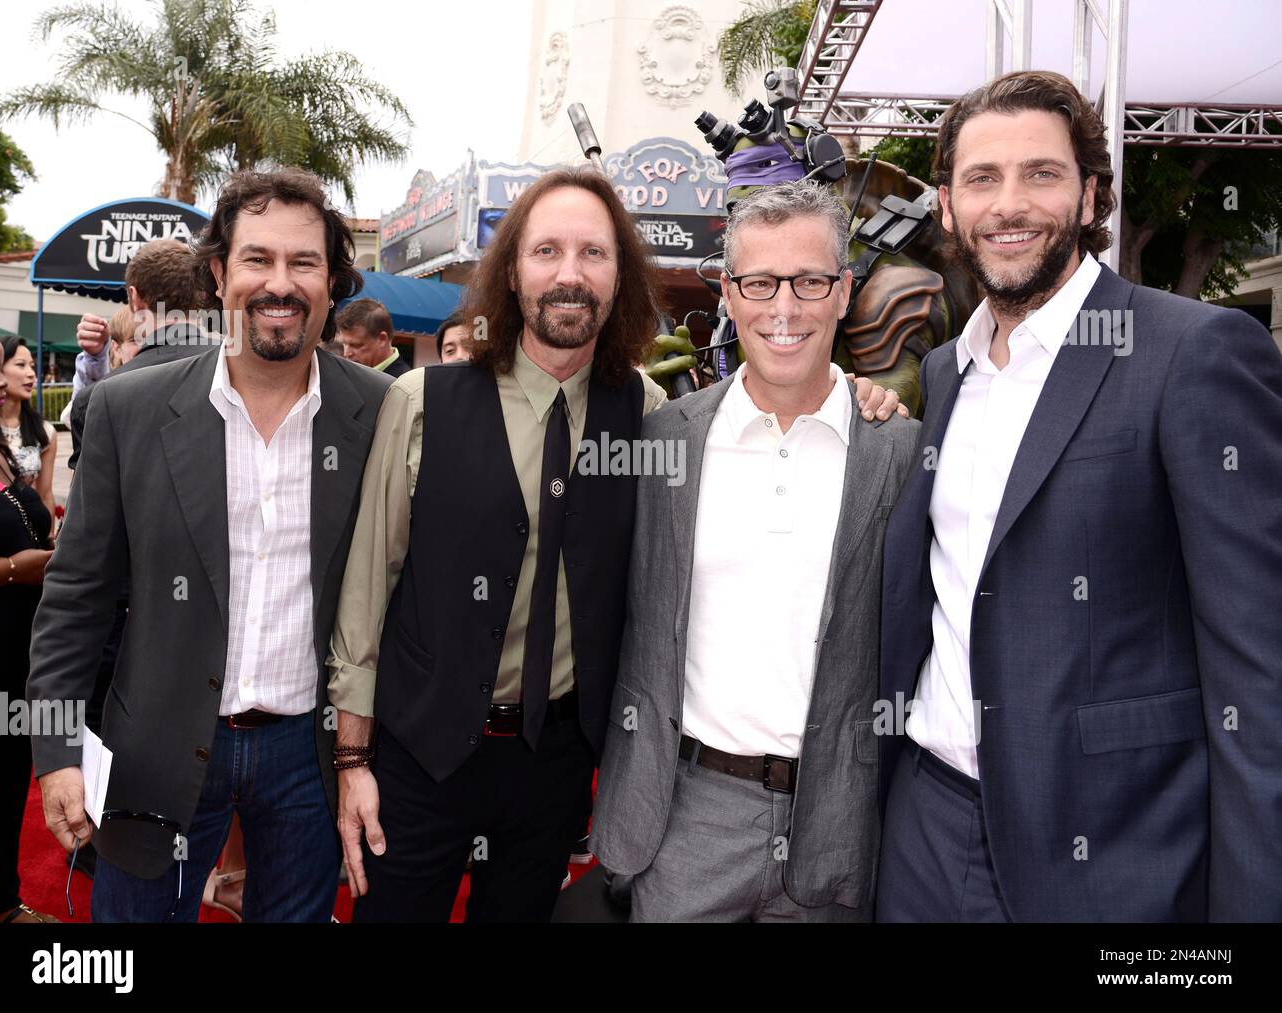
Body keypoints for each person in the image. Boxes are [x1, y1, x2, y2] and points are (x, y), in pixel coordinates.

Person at [327, 167, 902, 923]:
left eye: (593, 253)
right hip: (416, 756)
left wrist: (861, 394)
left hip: (554, 767)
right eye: (547, 252)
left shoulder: (651, 417)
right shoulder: (424, 401)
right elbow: (366, 597)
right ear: (512, 270)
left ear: (620, 276)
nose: (570, 274)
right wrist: (352, 759)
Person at [877, 70, 1282, 922]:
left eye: (1042, 174)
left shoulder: (1194, 353)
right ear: (946, 205)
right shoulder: (947, 373)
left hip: (1112, 853)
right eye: (981, 178)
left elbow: (1260, 669)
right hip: (925, 831)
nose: (1009, 204)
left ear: (1092, 191)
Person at [26, 167, 393, 923]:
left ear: (333, 280)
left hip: (307, 753)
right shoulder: (127, 409)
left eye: (304, 262)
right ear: (221, 271)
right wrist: (59, 752)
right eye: (258, 259)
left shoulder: (381, 412)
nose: (279, 284)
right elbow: (75, 596)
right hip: (155, 744)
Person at [590, 181, 916, 922]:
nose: (785, 307)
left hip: (840, 819)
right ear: (730, 295)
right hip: (684, 819)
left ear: (844, 292)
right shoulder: (665, 439)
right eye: (760, 282)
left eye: (810, 281)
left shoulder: (900, 452)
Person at [0, 325, 57, 924]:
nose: (2, 383)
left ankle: (0, 901)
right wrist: (13, 569)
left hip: (14, 652)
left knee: (6, 776)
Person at [67, 239, 221, 470]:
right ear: (201, 295)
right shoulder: (241, 372)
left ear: (134, 298)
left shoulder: (93, 400)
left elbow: (89, 499)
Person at [0, 336, 57, 523]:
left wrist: (48, 540)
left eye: (32, 366)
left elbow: (45, 494)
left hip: (31, 534)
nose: (31, 374)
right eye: (21, 365)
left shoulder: (44, 431)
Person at [337, 298, 410, 377]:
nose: (346, 353)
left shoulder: (404, 383)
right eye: (344, 343)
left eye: (356, 345)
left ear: (382, 339)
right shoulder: (349, 374)